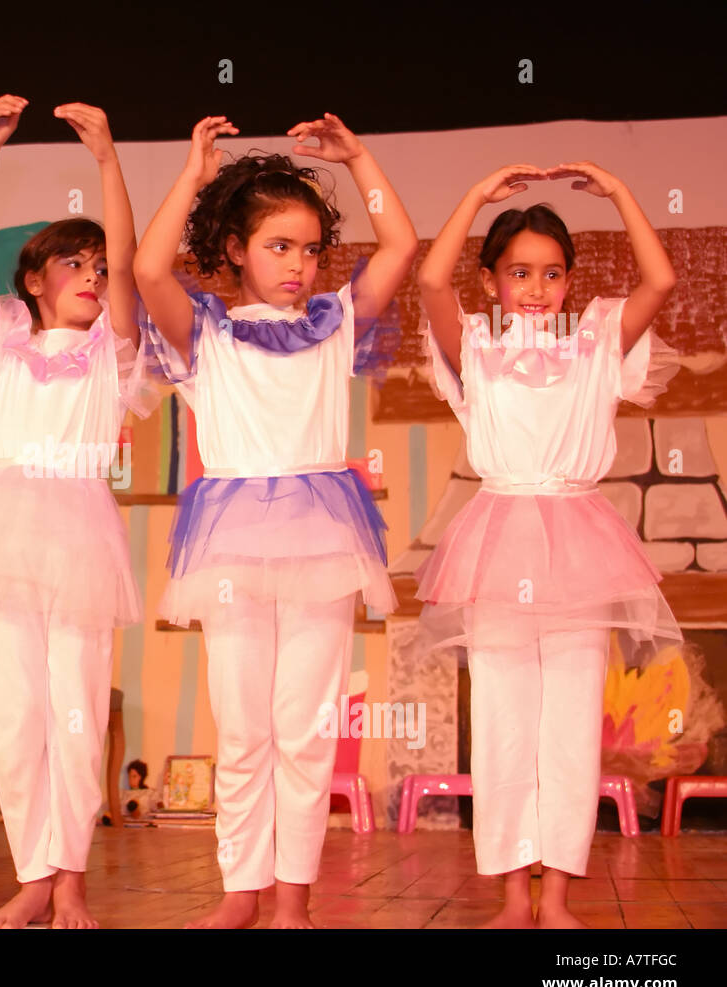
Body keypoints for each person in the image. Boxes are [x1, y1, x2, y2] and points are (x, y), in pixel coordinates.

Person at [134, 113, 415, 928]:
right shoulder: (206, 335)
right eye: (278, 245)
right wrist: (193, 170)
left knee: (304, 730)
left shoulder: (335, 325)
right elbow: (149, 266)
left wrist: (360, 155)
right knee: (245, 728)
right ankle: (240, 893)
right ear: (234, 249)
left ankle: (291, 900)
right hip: (230, 544)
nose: (298, 265)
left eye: (310, 248)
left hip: (325, 538)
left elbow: (398, 247)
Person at [415, 162, 681, 928]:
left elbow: (658, 282)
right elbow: (433, 282)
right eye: (518, 272)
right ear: (493, 278)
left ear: (570, 280)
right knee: (502, 722)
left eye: (552, 273)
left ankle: (558, 895)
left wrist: (621, 191)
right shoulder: (472, 344)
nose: (536, 288)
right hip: (499, 539)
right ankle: (510, 896)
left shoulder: (597, 339)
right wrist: (473, 194)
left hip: (579, 541)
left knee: (568, 729)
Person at [0, 96, 153, 929]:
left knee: (76, 707)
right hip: (6, 530)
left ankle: (71, 878)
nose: (92, 275)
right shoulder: (4, 341)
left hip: (80, 529)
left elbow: (129, 266)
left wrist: (106, 159)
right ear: (33, 281)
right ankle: (32, 878)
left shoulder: (113, 356)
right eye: (73, 264)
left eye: (95, 264)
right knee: (16, 711)